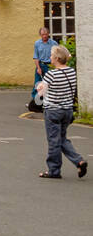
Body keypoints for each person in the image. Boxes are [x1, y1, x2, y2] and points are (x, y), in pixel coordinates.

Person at [36, 44, 86, 179]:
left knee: (53, 141)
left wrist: (39, 86)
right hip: (67, 110)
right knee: (61, 139)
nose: (50, 57)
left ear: (57, 58)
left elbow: (40, 95)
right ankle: (79, 161)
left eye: (51, 55)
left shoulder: (51, 74)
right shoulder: (71, 72)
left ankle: (54, 170)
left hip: (53, 111)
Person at [29, 27, 59, 113]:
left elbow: (57, 56)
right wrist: (38, 68)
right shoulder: (37, 43)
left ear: (48, 34)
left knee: (49, 85)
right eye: (43, 35)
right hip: (41, 65)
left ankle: (48, 103)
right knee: (37, 84)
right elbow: (36, 57)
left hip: (50, 66)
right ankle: (35, 103)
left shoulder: (54, 43)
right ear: (40, 35)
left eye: (46, 34)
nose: (44, 36)